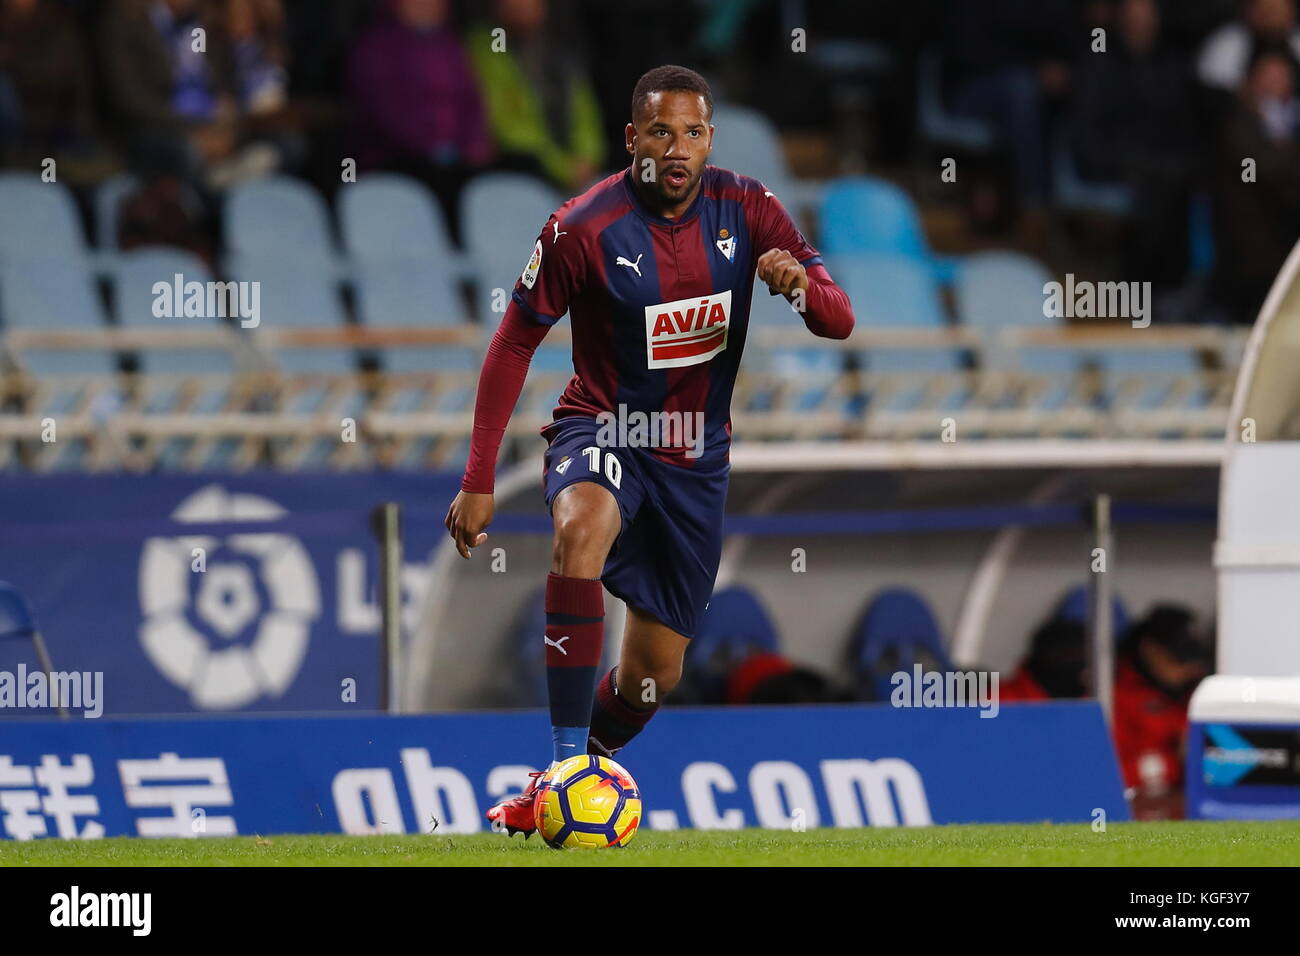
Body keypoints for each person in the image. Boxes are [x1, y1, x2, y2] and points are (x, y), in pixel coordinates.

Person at [443, 65, 855, 837]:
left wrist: (798, 286)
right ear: (633, 138)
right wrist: (478, 479)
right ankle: (569, 765)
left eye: (693, 133)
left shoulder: (749, 206)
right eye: (660, 132)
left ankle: (557, 784)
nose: (678, 149)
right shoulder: (581, 227)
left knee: (650, 680)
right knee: (581, 528)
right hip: (602, 427)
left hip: (693, 459)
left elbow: (840, 321)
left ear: (710, 140)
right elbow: (512, 344)